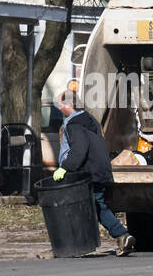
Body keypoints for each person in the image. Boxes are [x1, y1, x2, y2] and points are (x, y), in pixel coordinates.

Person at [52, 90, 135, 256]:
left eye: (60, 105)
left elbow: (79, 149)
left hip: (86, 172)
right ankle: (120, 236)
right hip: (98, 170)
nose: (59, 108)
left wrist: (65, 167)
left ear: (68, 105)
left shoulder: (74, 125)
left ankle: (80, 243)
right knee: (94, 206)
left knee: (82, 207)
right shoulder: (90, 120)